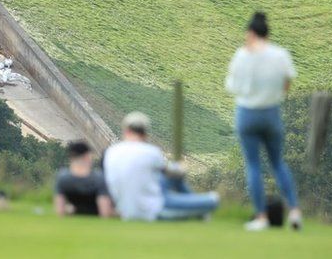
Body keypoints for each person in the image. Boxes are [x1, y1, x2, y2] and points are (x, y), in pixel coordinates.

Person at [225, 12, 302, 231]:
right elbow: (287, 82)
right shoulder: (280, 55)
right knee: (278, 163)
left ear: (250, 33)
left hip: (247, 112)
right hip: (271, 112)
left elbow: (231, 86)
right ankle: (295, 211)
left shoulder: (242, 55)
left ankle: (261, 217)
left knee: (253, 165)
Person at [103, 112, 219, 222]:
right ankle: (200, 207)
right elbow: (170, 173)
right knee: (213, 200)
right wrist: (181, 168)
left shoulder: (111, 151)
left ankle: (198, 210)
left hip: (126, 210)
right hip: (153, 208)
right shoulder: (151, 152)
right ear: (145, 133)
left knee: (172, 177)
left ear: (126, 131)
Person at [54, 141, 113, 217]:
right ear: (87, 156)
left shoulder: (63, 178)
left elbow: (60, 211)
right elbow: (105, 212)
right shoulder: (98, 178)